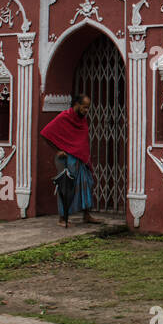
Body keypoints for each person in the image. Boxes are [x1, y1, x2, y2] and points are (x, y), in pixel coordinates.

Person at [40, 93, 96, 226]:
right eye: (84, 107)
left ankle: (86, 215)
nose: (86, 110)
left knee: (86, 183)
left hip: (81, 158)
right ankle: (62, 218)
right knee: (66, 187)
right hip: (67, 159)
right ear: (76, 105)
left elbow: (81, 140)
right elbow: (45, 133)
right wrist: (58, 150)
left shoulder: (82, 120)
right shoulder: (64, 117)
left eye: (88, 108)